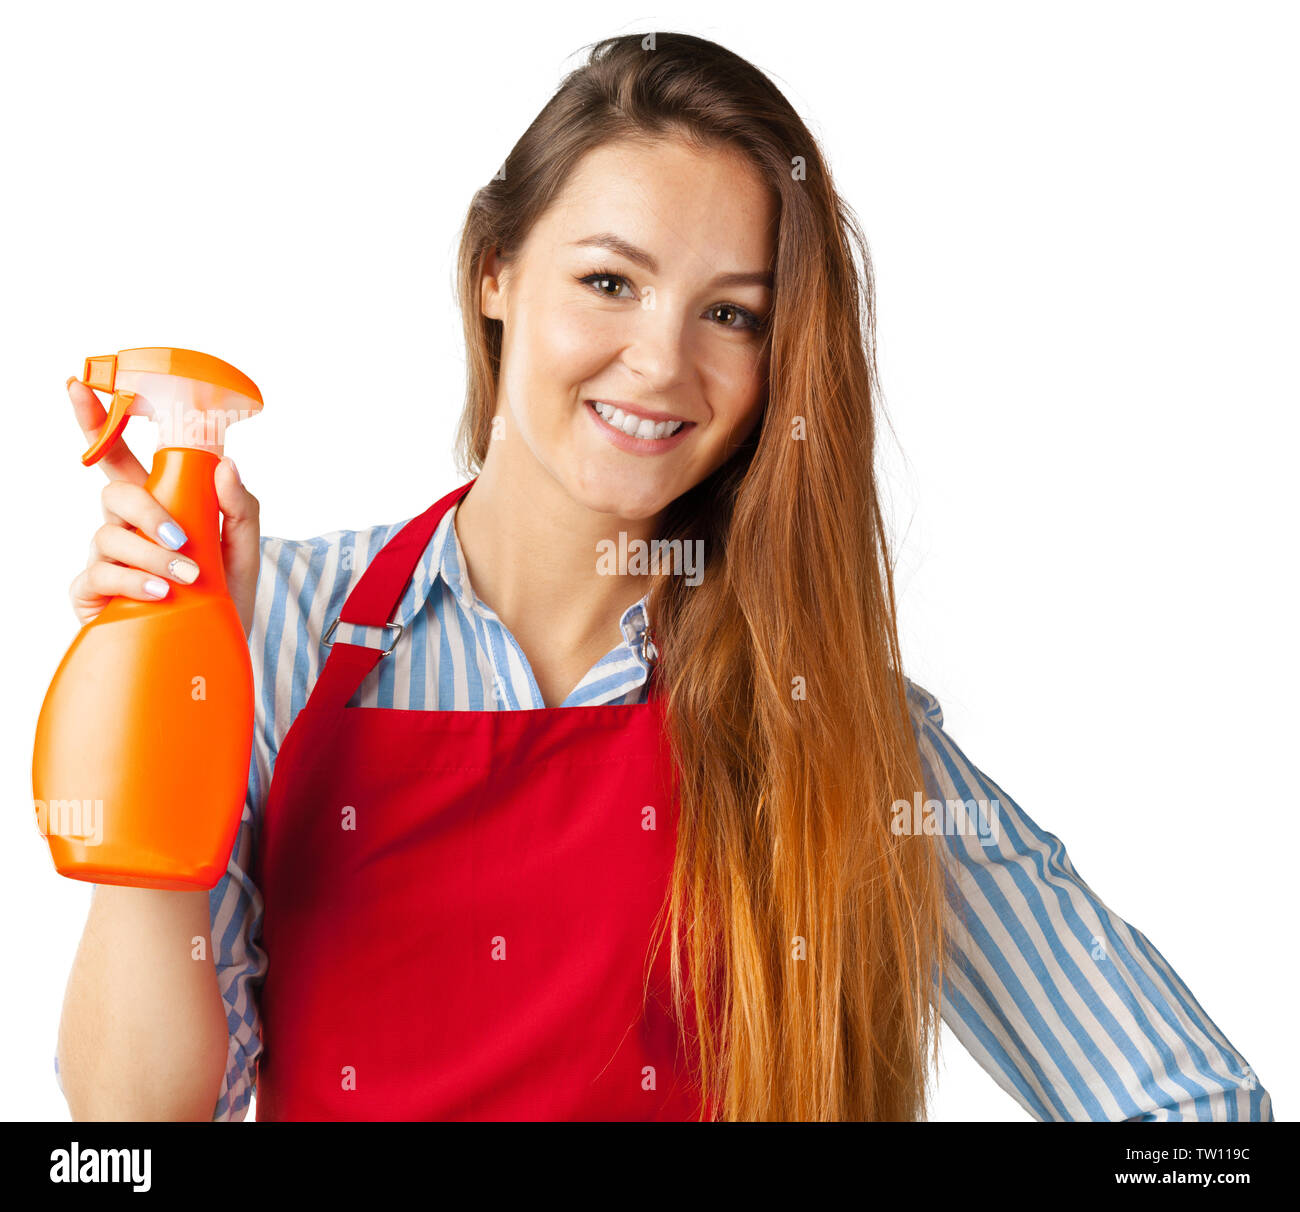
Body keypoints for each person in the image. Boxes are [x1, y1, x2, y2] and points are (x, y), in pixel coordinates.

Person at [53, 31, 1272, 1122]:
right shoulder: (281, 633)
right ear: (494, 271)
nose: (659, 363)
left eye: (732, 316)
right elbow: (137, 1123)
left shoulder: (824, 716)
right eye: (609, 282)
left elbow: (1187, 1103)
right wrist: (168, 704)